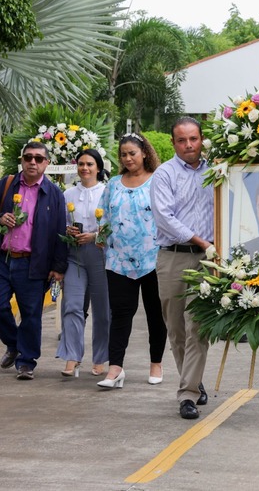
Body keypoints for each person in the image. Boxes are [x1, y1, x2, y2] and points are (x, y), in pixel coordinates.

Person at [0, 141, 68, 380]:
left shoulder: (54, 194)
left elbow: (61, 233)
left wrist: (59, 268)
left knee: (31, 314)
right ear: (22, 160)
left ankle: (26, 362)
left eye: (39, 159)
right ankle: (15, 344)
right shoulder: (7, 184)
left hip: (33, 264)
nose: (32, 162)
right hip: (2, 260)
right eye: (28, 157)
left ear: (47, 163)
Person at [150, 117, 214, 420]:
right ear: (173, 142)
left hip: (208, 260)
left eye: (193, 139)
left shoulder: (217, 170)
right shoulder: (164, 174)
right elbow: (165, 218)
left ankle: (187, 393)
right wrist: (200, 240)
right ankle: (192, 379)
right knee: (175, 328)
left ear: (201, 139)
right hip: (173, 257)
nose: (189, 145)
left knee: (197, 326)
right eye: (182, 140)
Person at [96, 133, 167, 390]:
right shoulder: (113, 184)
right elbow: (103, 216)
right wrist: (101, 235)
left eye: (132, 153)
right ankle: (116, 369)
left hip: (154, 259)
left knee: (155, 314)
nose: (127, 158)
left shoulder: (158, 181)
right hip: (118, 260)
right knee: (120, 315)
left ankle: (156, 363)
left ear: (144, 153)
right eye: (123, 154)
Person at [57, 149, 110, 377]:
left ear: (98, 167)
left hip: (100, 255)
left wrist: (95, 235)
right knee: (72, 306)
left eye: (89, 164)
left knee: (102, 311)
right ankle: (72, 356)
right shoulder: (67, 194)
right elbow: (59, 224)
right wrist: (67, 231)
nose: (85, 168)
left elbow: (114, 224)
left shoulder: (108, 192)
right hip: (74, 256)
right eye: (81, 164)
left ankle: (100, 358)